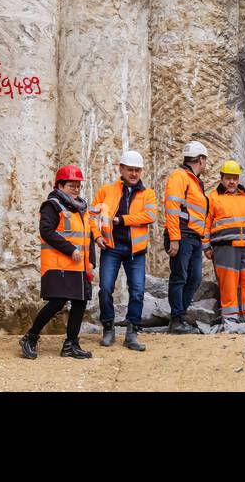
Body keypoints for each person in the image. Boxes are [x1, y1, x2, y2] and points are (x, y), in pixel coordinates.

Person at [20, 165, 99, 359]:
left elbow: (87, 235)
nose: (76, 189)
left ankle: (71, 344)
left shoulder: (81, 207)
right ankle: (30, 337)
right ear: (60, 185)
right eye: (71, 186)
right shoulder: (52, 205)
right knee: (57, 302)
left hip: (79, 265)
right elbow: (46, 231)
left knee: (80, 302)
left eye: (78, 186)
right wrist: (70, 249)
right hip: (59, 265)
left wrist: (91, 263)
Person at [92, 150, 158, 351]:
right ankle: (109, 327)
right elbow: (93, 216)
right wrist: (97, 236)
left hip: (135, 251)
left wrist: (123, 220)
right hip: (111, 248)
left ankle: (132, 332)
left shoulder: (148, 193)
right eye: (130, 170)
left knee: (137, 292)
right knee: (105, 289)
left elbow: (150, 216)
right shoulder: (106, 191)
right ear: (121, 169)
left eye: (137, 170)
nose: (134, 174)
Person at [205, 160, 245, 327]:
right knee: (229, 285)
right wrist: (206, 245)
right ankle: (230, 319)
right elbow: (206, 223)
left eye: (234, 178)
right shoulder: (213, 198)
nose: (232, 182)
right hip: (225, 248)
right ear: (221, 178)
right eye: (228, 178)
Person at [164, 140, 210, 334]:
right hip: (181, 235)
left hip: (193, 237)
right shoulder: (179, 176)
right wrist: (174, 238)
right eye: (205, 160)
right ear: (200, 159)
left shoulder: (195, 181)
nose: (206, 164)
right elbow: (172, 208)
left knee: (195, 277)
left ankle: (180, 314)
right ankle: (176, 319)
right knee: (179, 277)